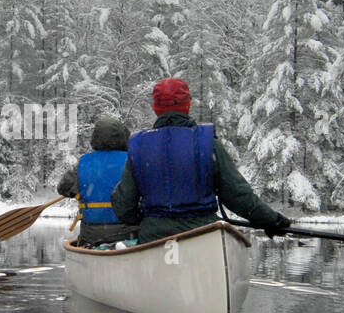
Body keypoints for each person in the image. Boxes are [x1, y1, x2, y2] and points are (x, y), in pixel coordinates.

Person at [111, 78, 291, 243]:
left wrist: (147, 221)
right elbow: (238, 196)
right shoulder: (208, 144)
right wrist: (271, 220)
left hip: (154, 237)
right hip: (203, 235)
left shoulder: (139, 147)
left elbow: (124, 205)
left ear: (155, 108)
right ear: (187, 105)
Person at [57, 114, 139, 246]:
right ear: (124, 137)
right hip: (128, 233)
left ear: (95, 138)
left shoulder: (83, 163)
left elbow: (63, 188)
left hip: (91, 235)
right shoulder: (133, 160)